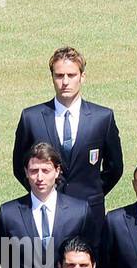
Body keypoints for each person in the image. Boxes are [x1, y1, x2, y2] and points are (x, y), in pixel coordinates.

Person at [11, 46, 123, 225]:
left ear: (82, 77)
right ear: (52, 77)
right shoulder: (31, 118)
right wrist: (43, 192)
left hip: (90, 213)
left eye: (71, 75)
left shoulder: (103, 117)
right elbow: (19, 166)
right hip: (46, 212)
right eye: (59, 75)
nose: (65, 82)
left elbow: (115, 167)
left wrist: (92, 192)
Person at [0, 142, 96, 268]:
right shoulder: (9, 213)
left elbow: (90, 256)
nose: (39, 177)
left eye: (45, 170)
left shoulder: (79, 211)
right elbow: (5, 262)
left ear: (57, 171)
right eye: (34, 171)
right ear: (25, 172)